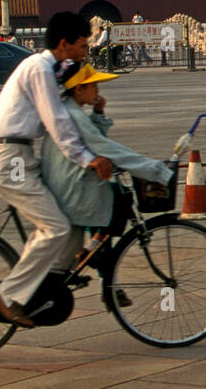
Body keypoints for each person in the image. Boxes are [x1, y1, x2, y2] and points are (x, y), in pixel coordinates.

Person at [0, 12, 114, 327]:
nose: (85, 52)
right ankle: (8, 295)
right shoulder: (39, 68)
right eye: (82, 46)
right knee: (55, 227)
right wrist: (86, 158)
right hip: (9, 158)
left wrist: (94, 110)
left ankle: (57, 271)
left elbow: (65, 106)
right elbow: (57, 120)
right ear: (64, 43)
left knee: (64, 210)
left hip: (18, 155)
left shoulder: (47, 68)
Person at [40, 61, 175, 292]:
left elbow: (90, 139)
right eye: (94, 86)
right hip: (73, 188)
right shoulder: (73, 114)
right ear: (79, 89)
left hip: (69, 183)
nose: (98, 91)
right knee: (117, 200)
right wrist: (155, 169)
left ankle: (97, 258)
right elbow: (104, 148)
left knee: (114, 199)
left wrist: (98, 114)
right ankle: (102, 267)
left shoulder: (71, 109)